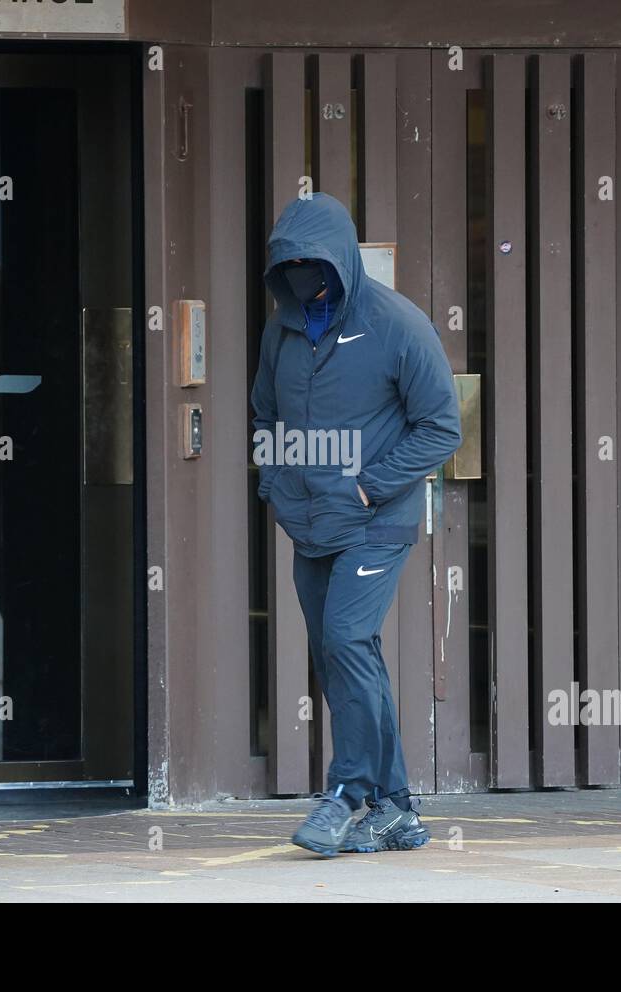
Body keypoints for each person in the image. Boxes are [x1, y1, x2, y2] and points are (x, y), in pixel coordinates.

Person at [251, 192, 462, 856]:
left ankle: (346, 796)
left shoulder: (397, 324)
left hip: (377, 521)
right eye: (290, 265)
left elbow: (443, 427)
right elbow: (264, 414)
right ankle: (398, 807)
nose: (303, 275)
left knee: (345, 639)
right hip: (308, 521)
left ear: (341, 260)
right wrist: (276, 484)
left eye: (314, 263)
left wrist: (372, 486)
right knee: (346, 657)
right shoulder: (281, 328)